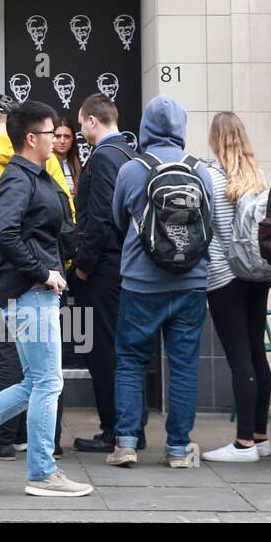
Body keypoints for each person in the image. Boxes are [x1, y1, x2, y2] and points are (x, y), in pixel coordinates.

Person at [0, 101, 92, 497]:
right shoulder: (17, 179)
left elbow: (50, 227)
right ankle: (42, 472)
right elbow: (2, 235)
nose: (57, 140)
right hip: (30, 292)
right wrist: (44, 272)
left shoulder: (37, 174)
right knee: (47, 382)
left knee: (34, 382)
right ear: (30, 138)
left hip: (35, 292)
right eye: (49, 134)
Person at [108, 95, 214, 470]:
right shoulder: (199, 170)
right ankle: (179, 448)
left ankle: (124, 443)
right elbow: (209, 223)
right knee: (183, 365)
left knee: (131, 360)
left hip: (140, 282)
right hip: (191, 282)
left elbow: (118, 220)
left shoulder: (132, 169)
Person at [201, 112, 271, 463]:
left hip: (223, 276)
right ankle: (260, 436)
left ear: (215, 139)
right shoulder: (256, 176)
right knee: (256, 352)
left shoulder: (212, 177)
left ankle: (243, 442)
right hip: (256, 274)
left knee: (238, 357)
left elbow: (209, 230)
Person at [70, 93, 141, 453]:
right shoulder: (132, 154)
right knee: (125, 348)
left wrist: (82, 267)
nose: (80, 129)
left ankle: (114, 428)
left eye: (82, 122)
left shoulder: (102, 159)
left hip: (102, 270)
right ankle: (132, 427)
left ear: (93, 121)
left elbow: (99, 219)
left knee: (101, 349)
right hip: (129, 266)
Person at [52, 116, 83, 196]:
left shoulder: (77, 164)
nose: (62, 141)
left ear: (73, 139)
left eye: (67, 136)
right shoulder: (45, 164)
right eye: (57, 136)